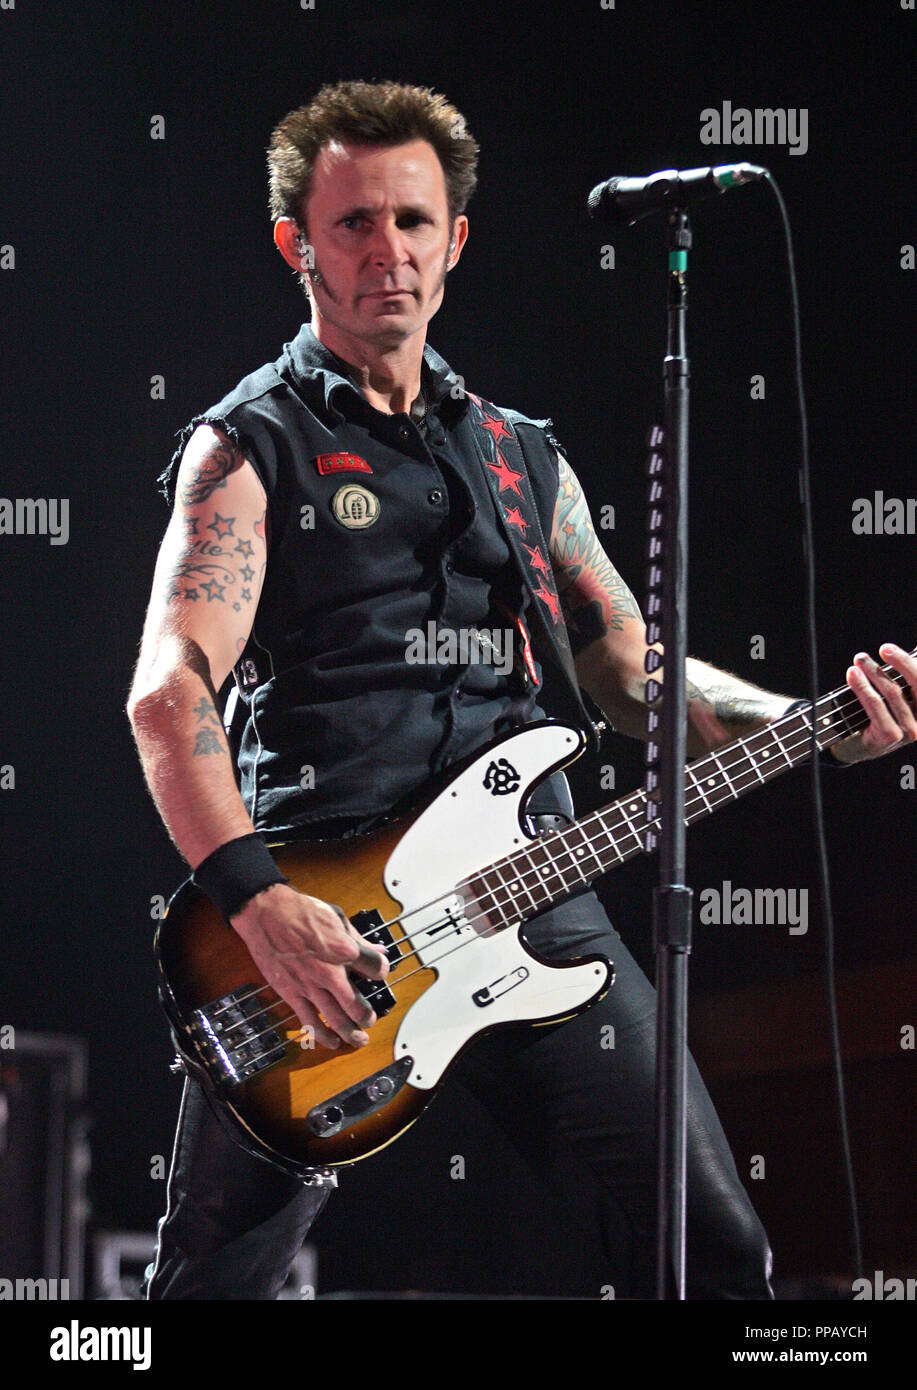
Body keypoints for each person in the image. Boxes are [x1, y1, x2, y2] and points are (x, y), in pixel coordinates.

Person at [126, 80, 916, 1300]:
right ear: (296, 245)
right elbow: (167, 694)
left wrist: (814, 724)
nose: (385, 252)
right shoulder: (248, 447)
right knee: (210, 1293)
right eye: (350, 225)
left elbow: (630, 671)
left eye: (410, 220)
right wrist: (257, 904)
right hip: (325, 921)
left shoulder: (519, 454)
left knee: (713, 1257)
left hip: (528, 892)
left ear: (455, 241)